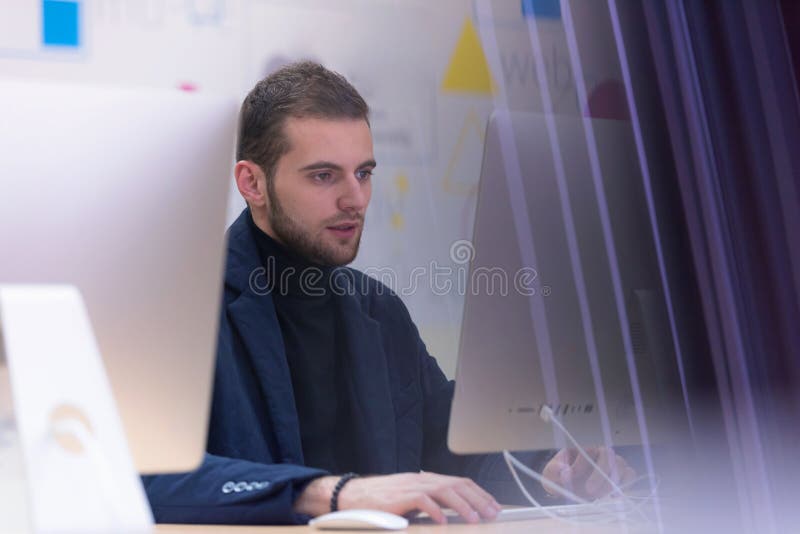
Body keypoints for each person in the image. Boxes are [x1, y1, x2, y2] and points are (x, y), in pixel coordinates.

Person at [142, 61, 636, 525]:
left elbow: (453, 441)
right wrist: (333, 492)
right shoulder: (181, 307)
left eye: (364, 173)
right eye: (323, 175)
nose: (354, 199)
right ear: (253, 183)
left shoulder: (379, 309)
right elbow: (148, 473)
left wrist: (549, 472)